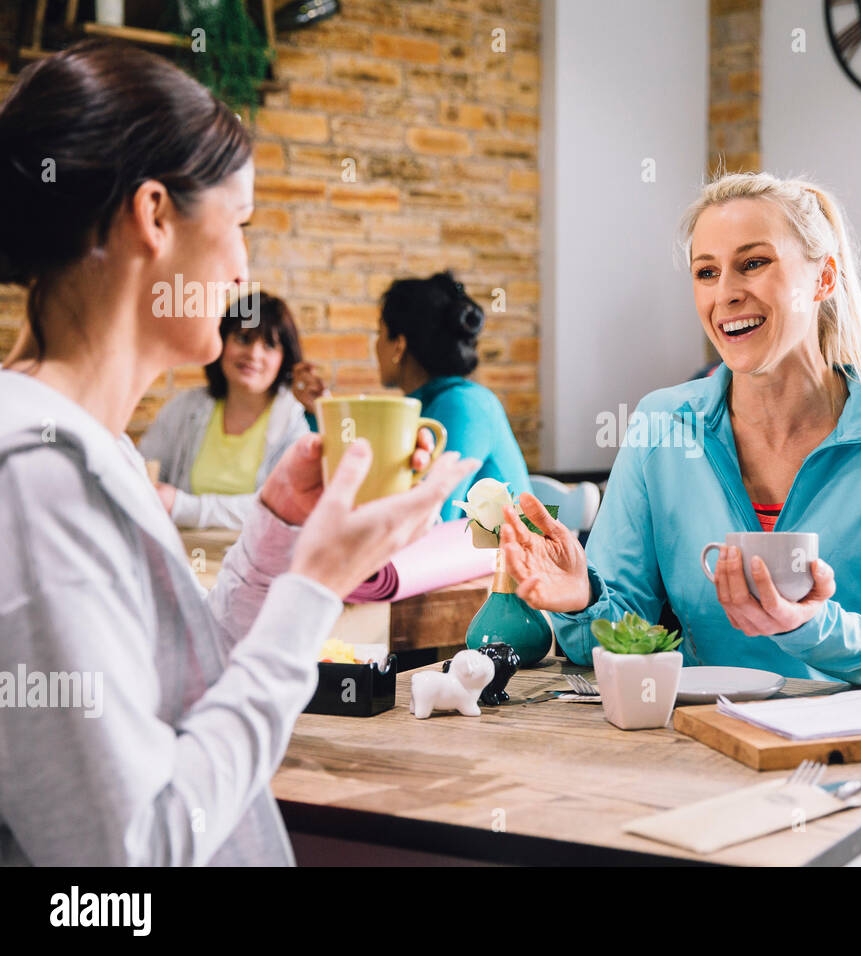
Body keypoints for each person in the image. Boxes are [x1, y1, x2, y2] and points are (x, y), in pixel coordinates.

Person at [0, 40, 478, 866]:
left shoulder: (96, 446)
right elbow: (131, 856)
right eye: (240, 224)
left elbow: (191, 690)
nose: (243, 267)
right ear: (154, 216)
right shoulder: (34, 477)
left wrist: (276, 536)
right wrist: (315, 587)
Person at [496, 172, 861, 686]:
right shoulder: (660, 427)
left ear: (824, 278)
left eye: (753, 264)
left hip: (848, 748)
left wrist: (813, 626)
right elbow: (610, 639)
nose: (726, 294)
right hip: (699, 740)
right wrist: (582, 598)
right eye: (706, 272)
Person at [292, 271, 531, 522]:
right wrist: (318, 410)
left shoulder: (463, 405)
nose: (377, 345)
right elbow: (375, 483)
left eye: (380, 333)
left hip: (509, 559)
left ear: (398, 345)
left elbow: (427, 519)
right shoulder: (430, 405)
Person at [139, 291, 308, 529]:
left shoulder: (294, 421)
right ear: (221, 341)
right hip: (181, 556)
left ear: (284, 359)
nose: (253, 355)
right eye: (243, 339)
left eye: (269, 345)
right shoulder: (184, 408)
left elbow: (281, 507)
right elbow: (143, 475)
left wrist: (183, 507)